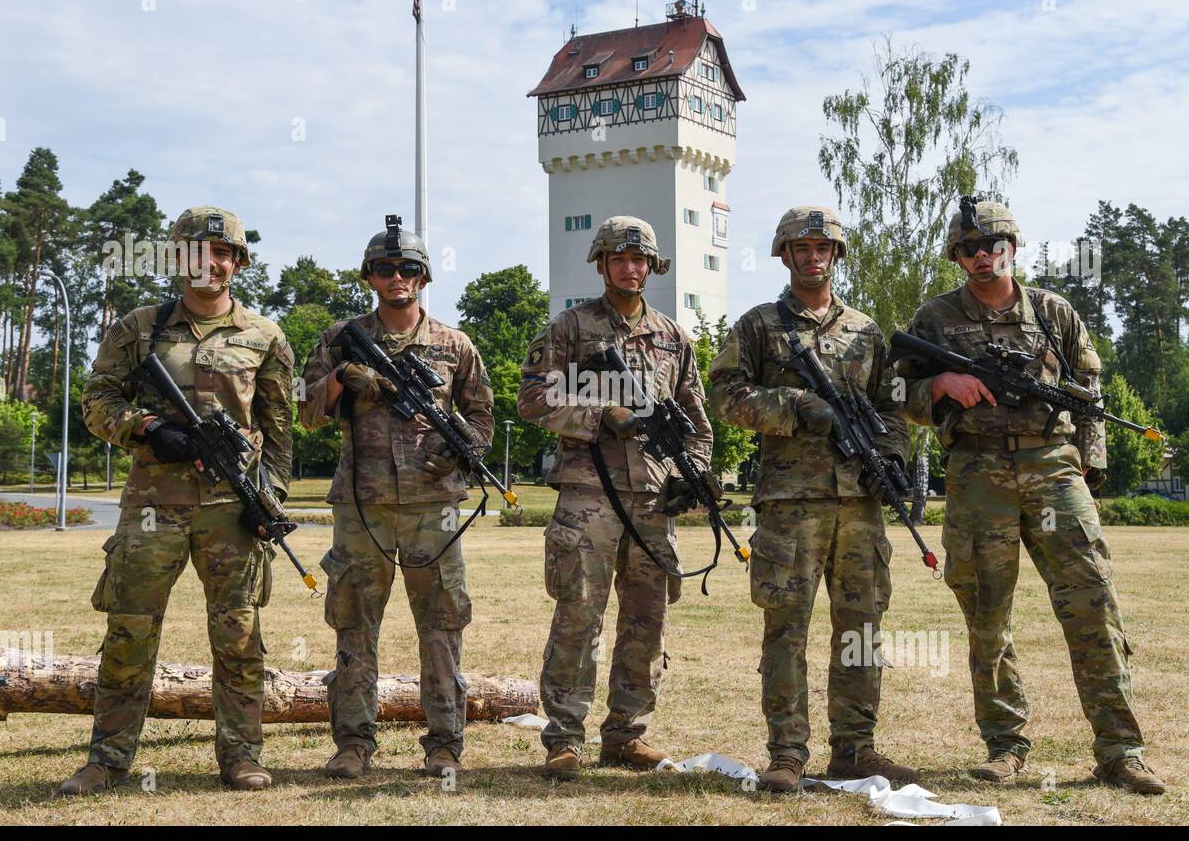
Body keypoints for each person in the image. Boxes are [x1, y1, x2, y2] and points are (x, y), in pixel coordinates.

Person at [895, 197, 1164, 794]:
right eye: (970, 248)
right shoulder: (934, 319)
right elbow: (894, 388)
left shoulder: (1052, 311)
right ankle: (1005, 745)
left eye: (994, 245)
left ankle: (1120, 750)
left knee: (1093, 604)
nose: (983, 256)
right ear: (957, 257)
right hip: (976, 475)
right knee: (987, 614)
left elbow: (1090, 392)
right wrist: (941, 383)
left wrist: (1088, 472)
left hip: (1053, 468)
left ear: (1012, 247)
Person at [61, 206, 293, 794]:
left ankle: (242, 757)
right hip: (151, 505)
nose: (208, 264)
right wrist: (147, 429)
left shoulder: (264, 336)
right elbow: (96, 403)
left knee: (239, 637)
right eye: (195, 252)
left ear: (236, 263)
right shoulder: (138, 329)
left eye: (221, 254)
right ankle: (107, 761)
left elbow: (279, 431)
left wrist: (270, 502)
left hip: (231, 511)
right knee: (129, 634)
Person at [708, 206, 916, 792]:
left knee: (861, 630)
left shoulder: (867, 330)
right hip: (789, 502)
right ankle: (787, 755)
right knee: (786, 629)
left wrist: (893, 457)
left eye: (823, 247)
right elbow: (725, 395)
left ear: (836, 255)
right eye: (801, 248)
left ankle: (853, 748)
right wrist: (793, 407)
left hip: (859, 504)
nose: (813, 256)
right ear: (785, 255)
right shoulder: (759, 325)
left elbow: (893, 405)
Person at [518, 216, 712, 781]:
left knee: (646, 621)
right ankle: (564, 738)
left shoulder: (674, 336)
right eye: (619, 259)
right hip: (588, 494)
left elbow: (696, 419)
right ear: (601, 264)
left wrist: (695, 472)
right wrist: (604, 415)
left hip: (652, 497)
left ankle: (626, 735)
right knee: (579, 616)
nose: (631, 268)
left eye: (640, 260)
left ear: (651, 267)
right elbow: (533, 398)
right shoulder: (571, 328)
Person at [299, 217, 493, 781]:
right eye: (385, 269)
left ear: (424, 277)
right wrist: (340, 377)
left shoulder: (454, 344)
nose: (397, 277)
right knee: (354, 627)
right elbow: (307, 413)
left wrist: (458, 452)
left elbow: (481, 419)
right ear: (370, 277)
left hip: (435, 507)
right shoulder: (340, 338)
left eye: (408, 268)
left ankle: (444, 745)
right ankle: (353, 745)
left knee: (441, 627)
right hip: (363, 506)